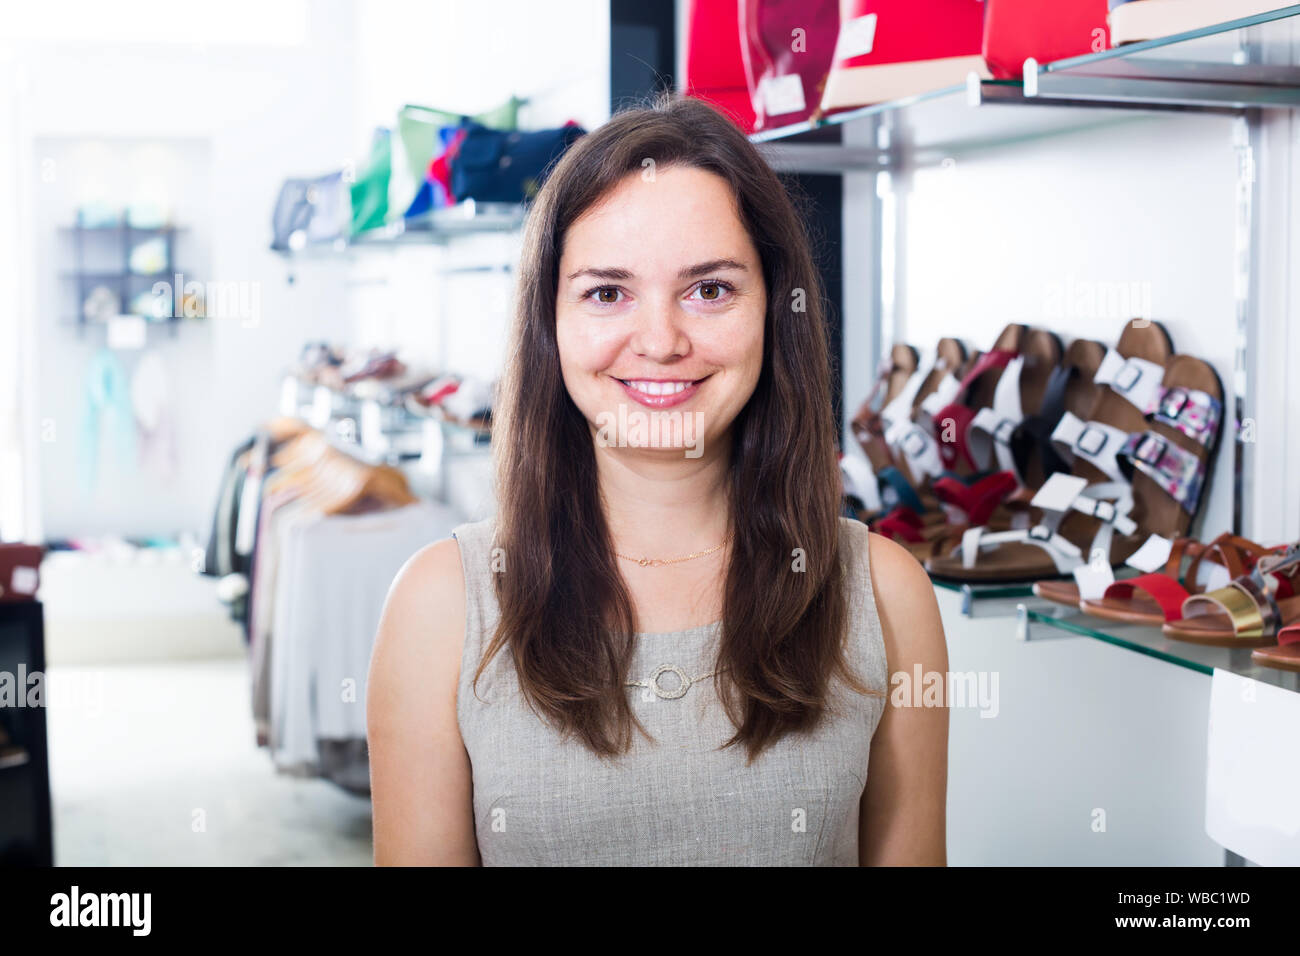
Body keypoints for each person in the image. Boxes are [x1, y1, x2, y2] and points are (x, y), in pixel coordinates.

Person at [367, 92, 948, 866]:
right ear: (550, 323)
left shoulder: (884, 594)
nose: (661, 341)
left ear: (776, 310)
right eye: (607, 292)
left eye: (710, 289)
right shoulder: (439, 604)